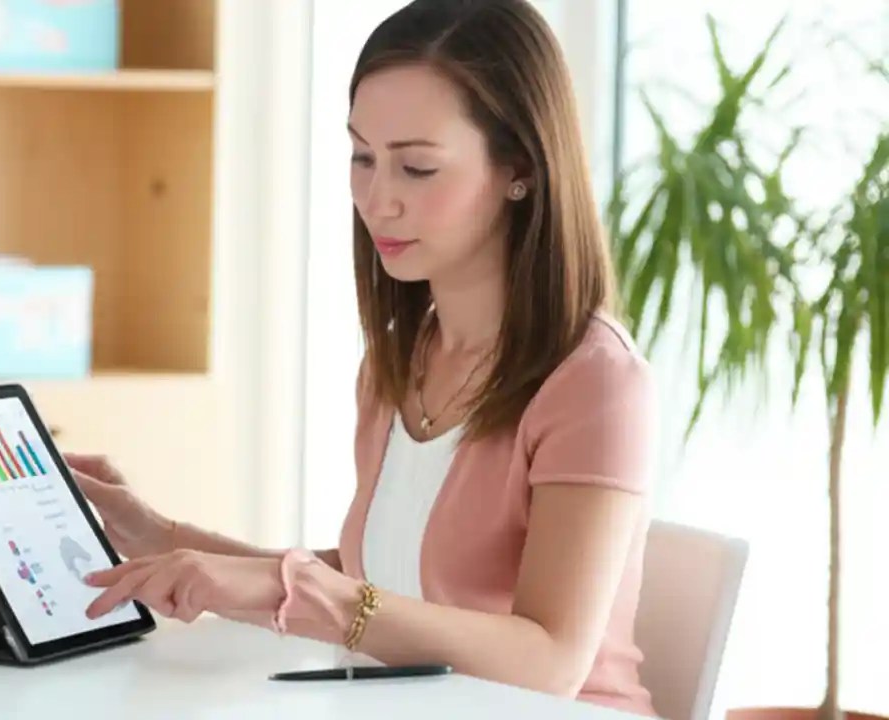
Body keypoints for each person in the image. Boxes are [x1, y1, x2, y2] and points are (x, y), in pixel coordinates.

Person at [67, 0, 658, 715]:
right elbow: (377, 587)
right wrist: (159, 536)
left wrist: (303, 589)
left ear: (520, 168)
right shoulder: (400, 362)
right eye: (362, 157)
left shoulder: (594, 381)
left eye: (416, 167)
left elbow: (551, 663)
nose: (378, 200)